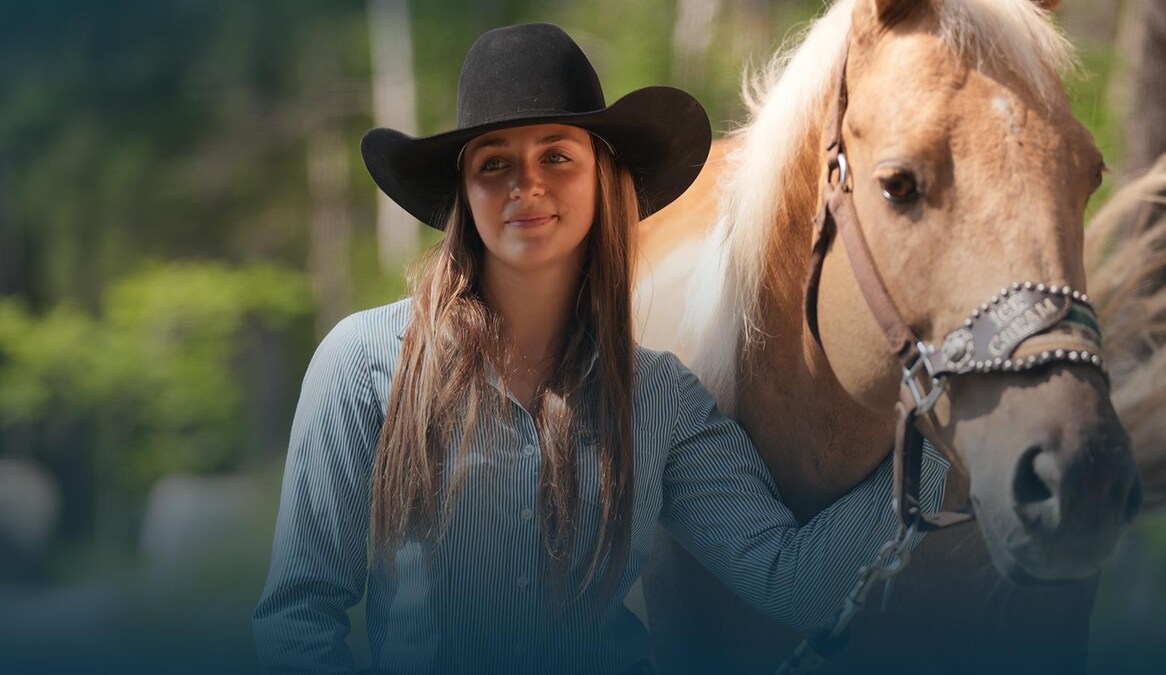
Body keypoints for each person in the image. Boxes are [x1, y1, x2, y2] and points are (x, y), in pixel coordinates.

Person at [251, 22, 948, 675]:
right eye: (494, 163)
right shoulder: (363, 364)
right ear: (463, 192)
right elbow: (299, 616)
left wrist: (944, 437)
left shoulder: (661, 398)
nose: (527, 183)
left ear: (601, 178)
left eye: (556, 155)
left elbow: (788, 576)